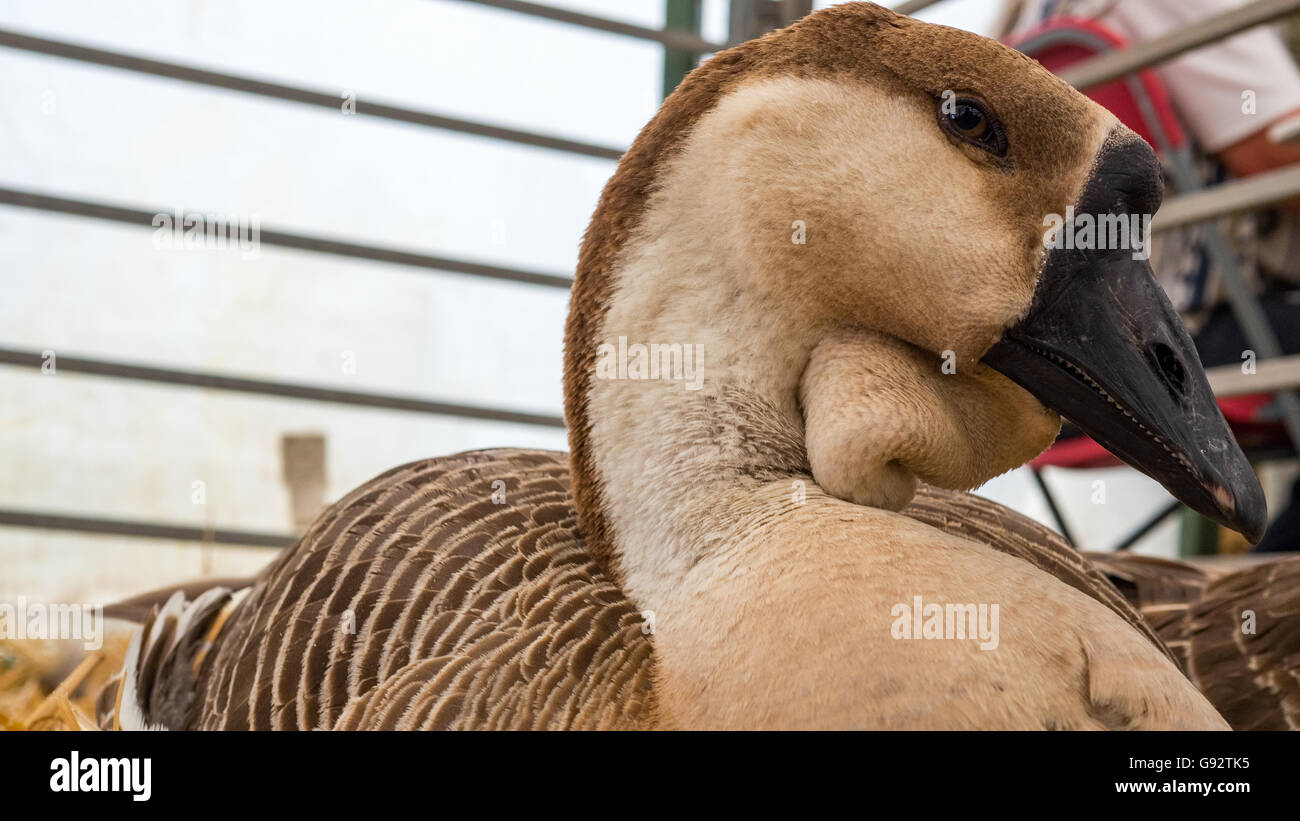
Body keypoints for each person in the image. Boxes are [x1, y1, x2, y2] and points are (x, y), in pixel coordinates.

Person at [1000, 0, 1300, 551]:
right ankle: (1266, 605)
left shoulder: (1026, 22)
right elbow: (1277, 157)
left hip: (1050, 366)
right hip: (1181, 340)